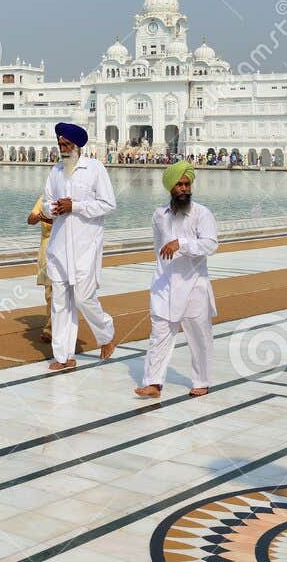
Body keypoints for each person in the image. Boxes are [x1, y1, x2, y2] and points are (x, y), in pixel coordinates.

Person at [135, 162, 219, 398]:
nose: (183, 188)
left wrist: (181, 244)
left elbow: (211, 244)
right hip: (165, 283)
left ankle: (202, 380)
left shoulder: (202, 213)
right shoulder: (159, 215)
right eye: (179, 185)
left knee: (199, 336)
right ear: (170, 188)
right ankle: (153, 382)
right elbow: (157, 246)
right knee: (159, 334)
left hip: (194, 285)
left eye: (186, 184)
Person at [43, 122, 117, 370]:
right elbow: (46, 202)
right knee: (60, 303)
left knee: (84, 298)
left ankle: (106, 335)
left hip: (86, 246)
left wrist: (75, 206)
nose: (63, 149)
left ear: (78, 146)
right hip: (60, 246)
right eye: (60, 144)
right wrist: (51, 209)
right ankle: (64, 356)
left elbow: (108, 204)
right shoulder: (55, 171)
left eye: (67, 145)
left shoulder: (94, 169)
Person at [27, 195, 54, 343]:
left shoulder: (69, 199)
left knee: (61, 292)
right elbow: (30, 219)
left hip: (65, 248)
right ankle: (51, 326)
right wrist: (43, 216)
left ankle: (53, 328)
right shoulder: (44, 199)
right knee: (49, 292)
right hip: (47, 250)